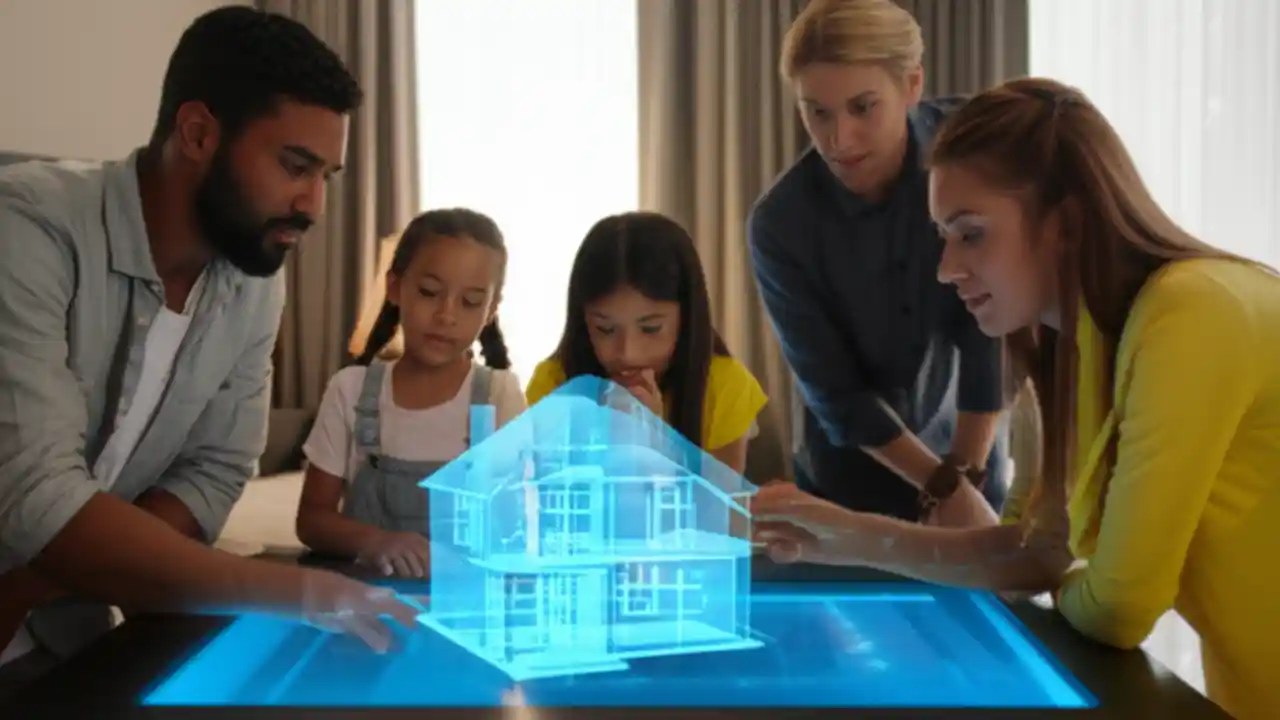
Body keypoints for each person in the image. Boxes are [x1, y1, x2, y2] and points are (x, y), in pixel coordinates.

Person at [751, 77, 1280, 720]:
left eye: (970, 234)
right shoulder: (1079, 343)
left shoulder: (1191, 312)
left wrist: (1063, 581)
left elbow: (1119, 605)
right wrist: (840, 535)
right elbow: (1035, 549)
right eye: (942, 236)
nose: (945, 268)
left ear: (1067, 224)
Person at [0, 6, 419, 694]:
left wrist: (39, 581)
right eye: (295, 165)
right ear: (197, 133)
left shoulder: (253, 280)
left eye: (327, 176)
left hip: (58, 625)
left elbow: (218, 470)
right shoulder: (29, 227)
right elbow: (36, 492)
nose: (313, 204)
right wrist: (298, 593)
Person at [747, 0, 1008, 525]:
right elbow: (838, 395)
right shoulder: (780, 225)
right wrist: (942, 487)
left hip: (970, 449)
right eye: (816, 112)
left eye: (863, 107)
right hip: (849, 487)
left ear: (912, 84)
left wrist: (964, 478)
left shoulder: (971, 149)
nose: (838, 140)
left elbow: (987, 333)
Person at [296, 209, 527, 578]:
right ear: (394, 287)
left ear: (490, 312)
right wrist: (375, 541)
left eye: (469, 302)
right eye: (429, 292)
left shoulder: (500, 395)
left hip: (461, 606)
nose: (446, 315)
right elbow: (311, 521)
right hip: (367, 605)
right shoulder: (350, 389)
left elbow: (517, 528)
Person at [525, 212, 767, 475]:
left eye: (650, 329)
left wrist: (656, 442)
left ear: (687, 317)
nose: (627, 353)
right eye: (604, 329)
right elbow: (541, 504)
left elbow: (722, 513)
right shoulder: (555, 384)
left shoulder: (723, 386)